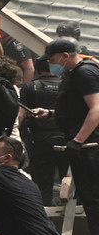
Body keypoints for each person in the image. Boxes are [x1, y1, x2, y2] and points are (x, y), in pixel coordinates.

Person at [31, 38, 99, 235]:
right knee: (89, 196)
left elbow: (96, 109)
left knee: (93, 196)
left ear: (65, 55)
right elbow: (76, 109)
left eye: (53, 60)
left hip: (90, 146)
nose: (52, 64)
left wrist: (78, 141)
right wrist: (50, 113)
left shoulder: (84, 73)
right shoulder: (73, 73)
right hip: (83, 143)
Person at [19, 58, 68, 206]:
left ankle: (45, 218)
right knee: (71, 182)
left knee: (42, 186)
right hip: (67, 139)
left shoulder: (30, 87)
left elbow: (20, 115)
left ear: (39, 69)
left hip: (39, 141)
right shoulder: (67, 85)